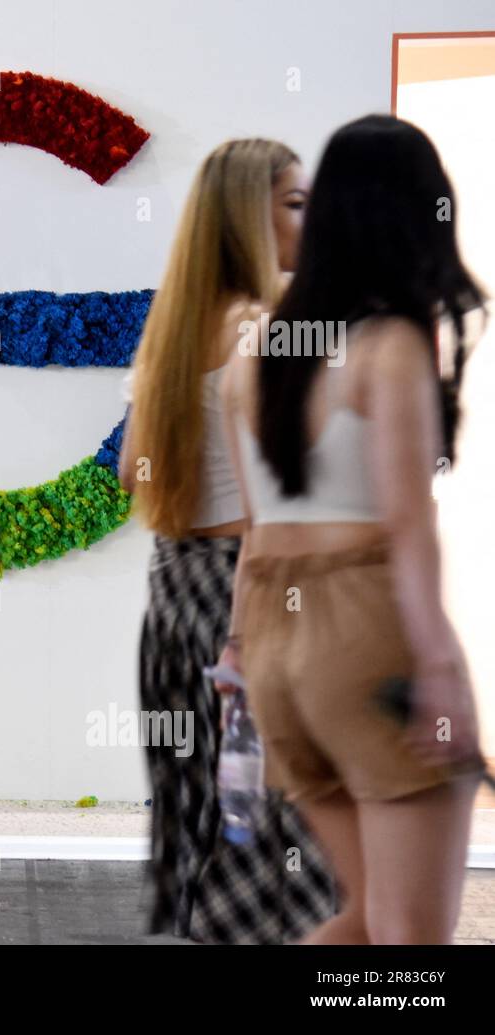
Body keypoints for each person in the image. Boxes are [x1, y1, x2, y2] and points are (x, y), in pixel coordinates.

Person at [217, 115, 487, 944]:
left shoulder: (252, 355)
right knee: (413, 942)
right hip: (367, 632)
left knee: (370, 924)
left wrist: (234, 654)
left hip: (274, 646)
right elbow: (409, 525)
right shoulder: (391, 344)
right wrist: (440, 667)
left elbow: (255, 527)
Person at [119, 139, 337, 942]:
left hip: (173, 598)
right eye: (293, 202)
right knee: (277, 839)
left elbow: (132, 478)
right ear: (250, 215)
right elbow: (270, 511)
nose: (307, 219)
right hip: (244, 600)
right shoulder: (264, 330)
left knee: (199, 820)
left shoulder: (171, 335)